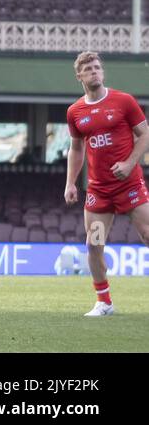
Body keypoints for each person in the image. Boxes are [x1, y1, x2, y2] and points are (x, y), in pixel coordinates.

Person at [64, 51, 149, 316]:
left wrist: (130, 163)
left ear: (103, 72)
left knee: (147, 234)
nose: (94, 71)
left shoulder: (123, 101)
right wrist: (70, 183)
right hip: (99, 192)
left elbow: (145, 135)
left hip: (130, 186)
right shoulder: (75, 112)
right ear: (79, 76)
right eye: (88, 68)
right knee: (95, 244)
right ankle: (104, 302)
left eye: (97, 67)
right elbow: (76, 148)